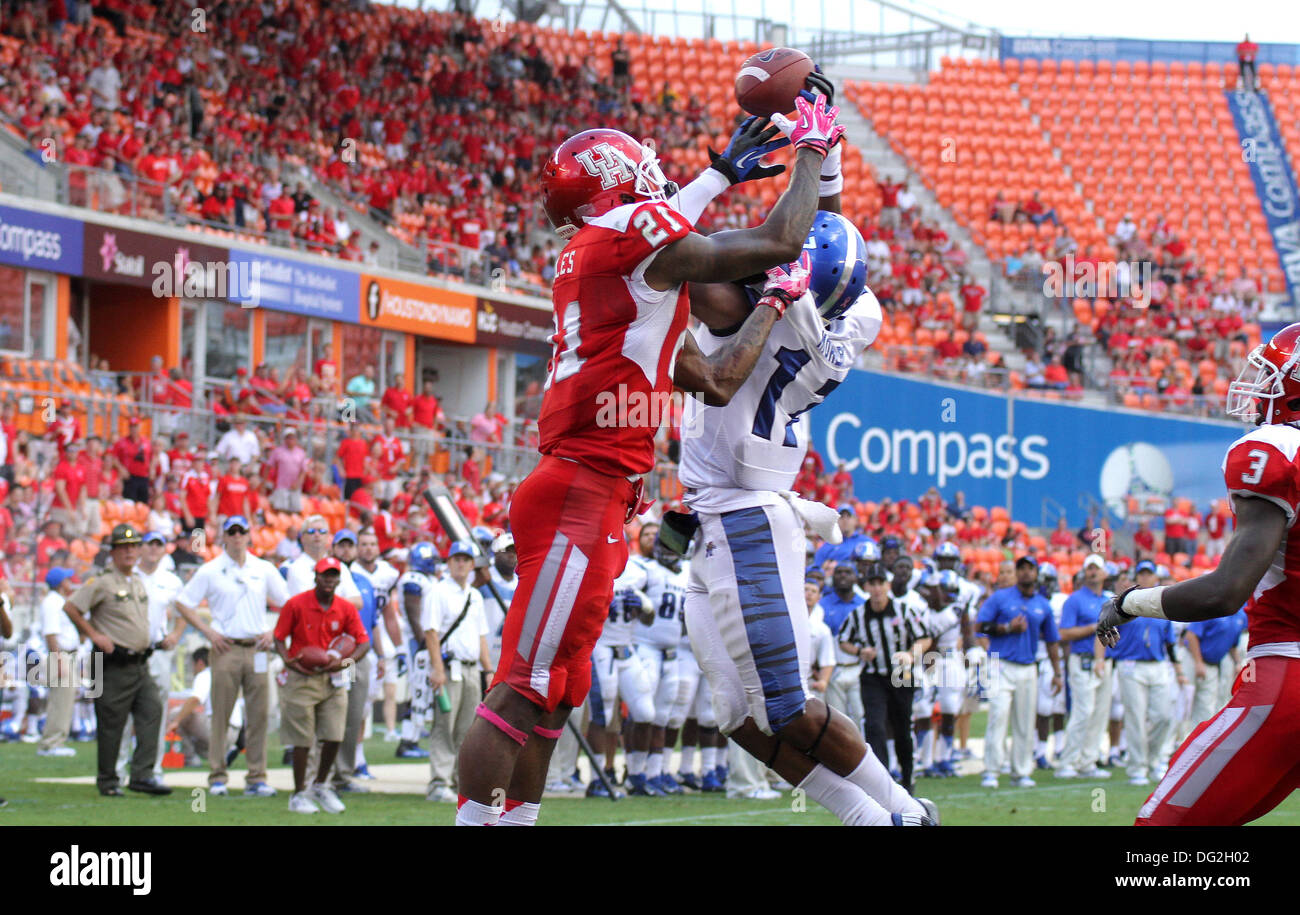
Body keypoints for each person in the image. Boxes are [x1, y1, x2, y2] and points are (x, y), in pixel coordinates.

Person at [455, 94, 846, 826]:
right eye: (647, 172)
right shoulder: (628, 234)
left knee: (556, 691)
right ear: (620, 177)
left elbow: (720, 379)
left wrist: (764, 289)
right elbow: (779, 239)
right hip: (580, 484)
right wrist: (812, 153)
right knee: (521, 684)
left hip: (599, 492)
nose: (659, 180)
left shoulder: (621, 266)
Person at [677, 175, 936, 823]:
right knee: (738, 714)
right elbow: (830, 243)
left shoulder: (754, 309)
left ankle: (902, 810)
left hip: (743, 514)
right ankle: (870, 814)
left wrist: (649, 214)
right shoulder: (854, 310)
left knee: (785, 704)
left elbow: (687, 272)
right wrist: (825, 175)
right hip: (723, 513)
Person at [1093, 340, 1300, 823]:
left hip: (1287, 676)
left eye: (1269, 376)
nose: (1257, 388)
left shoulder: (1277, 450)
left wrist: (1129, 601)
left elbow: (1223, 592)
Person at [172, 515, 290, 797]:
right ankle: (217, 776)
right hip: (226, 647)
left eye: (241, 531)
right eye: (232, 532)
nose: (237, 536)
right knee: (220, 713)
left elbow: (289, 603)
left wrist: (274, 633)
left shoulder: (263, 569)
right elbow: (183, 602)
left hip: (257, 647)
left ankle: (257, 777)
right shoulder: (211, 570)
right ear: (224, 536)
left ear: (249, 535)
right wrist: (207, 632)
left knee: (258, 715)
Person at [61, 524, 171, 796]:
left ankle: (142, 774)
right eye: (124, 547)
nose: (130, 552)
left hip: (140, 662)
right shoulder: (101, 581)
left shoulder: (136, 581)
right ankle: (108, 781)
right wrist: (94, 634)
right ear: (113, 551)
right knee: (112, 724)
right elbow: (71, 607)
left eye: (134, 546)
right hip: (112, 663)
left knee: (152, 711)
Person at [274, 556, 370, 815]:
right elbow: (279, 637)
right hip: (303, 675)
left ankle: (319, 785)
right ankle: (298, 793)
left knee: (334, 735)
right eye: (324, 575)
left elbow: (363, 641)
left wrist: (345, 662)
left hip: (333, 677)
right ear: (315, 576)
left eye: (333, 575)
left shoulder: (345, 607)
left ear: (339, 579)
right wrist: (289, 661)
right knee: (302, 739)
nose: (328, 580)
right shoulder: (296, 604)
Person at [839, 562, 933, 795]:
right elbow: (844, 640)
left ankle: (908, 776)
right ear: (866, 587)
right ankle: (882, 781)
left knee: (902, 729)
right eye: (872, 583)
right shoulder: (858, 615)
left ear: (887, 585)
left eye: (881, 583)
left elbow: (925, 638)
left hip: (901, 675)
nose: (877, 588)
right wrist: (860, 652)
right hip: (873, 677)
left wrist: (911, 655)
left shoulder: (905, 610)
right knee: (874, 727)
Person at [975, 556, 1063, 789]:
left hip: (1028, 666)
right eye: (1021, 569)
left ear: (1036, 574)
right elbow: (980, 626)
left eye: (1029, 569)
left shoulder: (1042, 604)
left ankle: (1021, 771)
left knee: (1025, 721)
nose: (1025, 573)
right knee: (998, 716)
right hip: (1002, 664)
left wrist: (1057, 673)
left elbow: (1052, 641)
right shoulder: (1000, 598)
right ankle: (991, 770)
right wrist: (1005, 628)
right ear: (1016, 573)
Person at [1100, 560, 1183, 786]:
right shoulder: (1125, 603)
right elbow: (1106, 625)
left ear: (1155, 577)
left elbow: (1170, 642)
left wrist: (1178, 668)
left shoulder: (1161, 603)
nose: (1145, 578)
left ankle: (1155, 760)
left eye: (1149, 574)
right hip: (1131, 664)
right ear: (1137, 577)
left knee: (1164, 716)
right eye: (1142, 574)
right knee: (1135, 717)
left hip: (1157, 664)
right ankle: (1137, 766)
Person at [424, 540, 492, 802]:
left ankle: (458, 779)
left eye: (465, 559)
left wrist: (488, 670)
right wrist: (437, 669)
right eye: (457, 559)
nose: (461, 564)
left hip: (471, 667)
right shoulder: (438, 591)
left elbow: (481, 635)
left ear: (472, 565)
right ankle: (439, 782)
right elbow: (431, 632)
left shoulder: (474, 595)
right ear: (449, 562)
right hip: (449, 665)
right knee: (445, 724)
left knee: (467, 728)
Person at [118, 531, 185, 785]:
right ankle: (118, 768)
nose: (154, 549)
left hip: (157, 651)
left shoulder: (171, 580)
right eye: (149, 544)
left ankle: (152, 768)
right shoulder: (128, 575)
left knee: (156, 712)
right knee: (123, 712)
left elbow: (184, 611)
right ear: (140, 548)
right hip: (129, 652)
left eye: (159, 545)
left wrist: (176, 634)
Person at [1054, 554, 1114, 778]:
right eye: (1089, 568)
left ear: (1104, 573)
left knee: (1099, 713)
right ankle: (1067, 762)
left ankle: (1088, 761)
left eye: (1096, 569)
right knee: (1083, 711)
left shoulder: (1109, 600)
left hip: (1104, 661)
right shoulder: (1075, 600)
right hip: (1083, 660)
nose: (1092, 572)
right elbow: (1064, 633)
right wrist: (1093, 627)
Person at [38, 567, 82, 758]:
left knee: (64, 699)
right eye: (66, 579)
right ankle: (52, 743)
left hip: (66, 654)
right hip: (60, 654)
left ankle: (55, 740)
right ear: (60, 583)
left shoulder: (59, 601)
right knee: (60, 700)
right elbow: (50, 633)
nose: (69, 582)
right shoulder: (52, 602)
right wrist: (58, 659)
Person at [1182, 608, 1247, 730]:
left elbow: (1232, 645)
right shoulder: (1214, 608)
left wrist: (1238, 662)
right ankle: (1175, 743)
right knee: (1184, 703)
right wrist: (1198, 662)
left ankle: (1194, 743)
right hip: (1192, 659)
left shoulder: (1241, 616)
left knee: (1206, 708)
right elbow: (1191, 635)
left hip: (1212, 666)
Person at [111, 417, 152, 504]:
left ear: (140, 427)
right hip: (129, 477)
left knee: (143, 504)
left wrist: (151, 470)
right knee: (129, 503)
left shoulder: (146, 442)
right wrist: (121, 468)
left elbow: (151, 457)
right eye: (132, 427)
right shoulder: (122, 442)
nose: (134, 429)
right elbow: (113, 457)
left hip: (143, 477)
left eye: (136, 426)